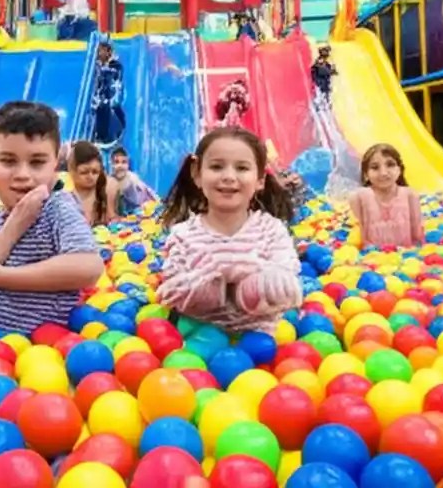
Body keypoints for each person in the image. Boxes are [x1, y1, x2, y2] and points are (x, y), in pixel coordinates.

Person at [0, 101, 105, 335]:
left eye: (37, 162)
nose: (23, 175)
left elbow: (88, 266)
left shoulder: (58, 209)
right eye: (8, 161)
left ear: (55, 164)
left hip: (50, 353)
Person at [156, 127, 302, 335]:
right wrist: (218, 284)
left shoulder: (271, 231)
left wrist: (246, 283)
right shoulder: (183, 236)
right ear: (197, 174)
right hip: (199, 345)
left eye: (242, 168)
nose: (229, 176)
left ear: (260, 179)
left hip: (261, 347)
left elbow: (289, 287)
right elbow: (171, 292)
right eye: (216, 167)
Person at [349, 144, 425, 248]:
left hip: (405, 257)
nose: (383, 173)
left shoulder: (410, 196)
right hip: (371, 258)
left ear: (400, 169)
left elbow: (418, 238)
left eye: (390, 165)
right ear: (366, 174)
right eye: (375, 167)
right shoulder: (358, 197)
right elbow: (357, 237)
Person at [68, 141, 117, 227]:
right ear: (72, 171)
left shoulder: (106, 190)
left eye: (95, 172)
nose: (90, 176)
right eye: (84, 172)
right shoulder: (65, 195)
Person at [92, 41, 126, 145]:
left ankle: (113, 132)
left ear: (108, 52)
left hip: (111, 95)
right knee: (101, 105)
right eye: (98, 51)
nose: (98, 54)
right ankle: (100, 134)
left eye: (101, 51)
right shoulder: (96, 65)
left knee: (110, 104)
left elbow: (116, 79)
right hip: (103, 94)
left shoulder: (116, 65)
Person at [111, 147, 158, 216]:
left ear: (128, 165)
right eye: (116, 162)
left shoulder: (133, 179)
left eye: (124, 162)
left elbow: (150, 195)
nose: (120, 166)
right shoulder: (110, 181)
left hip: (142, 212)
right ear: (111, 164)